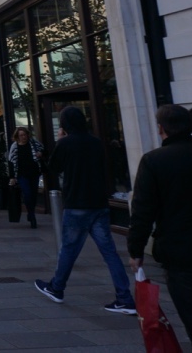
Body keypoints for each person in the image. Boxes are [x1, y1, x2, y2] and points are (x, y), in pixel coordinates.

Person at [35, 106, 136, 315]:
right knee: (109, 252)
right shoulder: (96, 142)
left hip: (77, 204)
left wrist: (59, 141)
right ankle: (124, 297)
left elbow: (53, 167)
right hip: (98, 203)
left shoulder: (66, 143)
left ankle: (57, 287)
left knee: (69, 249)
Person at [128, 104, 192, 347]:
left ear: (161, 129)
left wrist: (136, 250)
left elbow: (142, 211)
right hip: (181, 249)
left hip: (181, 251)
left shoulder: (154, 161)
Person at [7, 127, 45, 228]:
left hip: (34, 173)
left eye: (25, 135)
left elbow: (43, 150)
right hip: (21, 175)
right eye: (21, 135)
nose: (24, 137)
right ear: (17, 137)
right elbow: (11, 162)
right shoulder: (14, 147)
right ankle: (32, 216)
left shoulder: (33, 143)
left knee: (33, 195)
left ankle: (30, 212)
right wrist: (12, 177)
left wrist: (40, 153)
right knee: (27, 194)